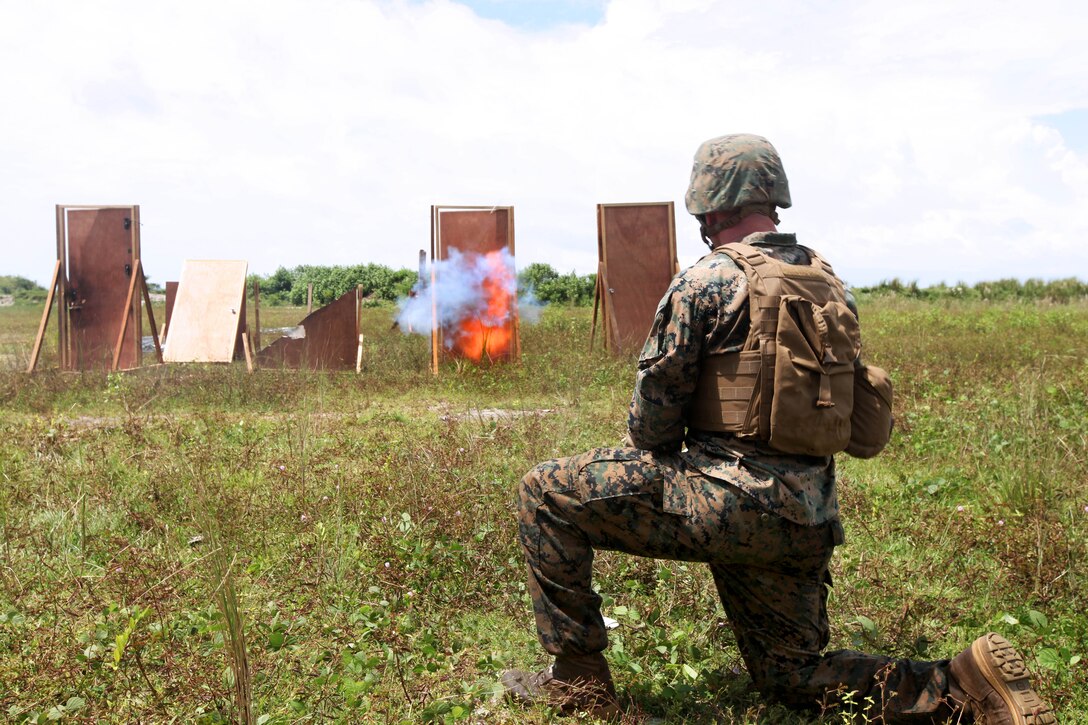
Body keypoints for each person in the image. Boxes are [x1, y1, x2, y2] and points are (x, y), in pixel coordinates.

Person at [502, 134, 1055, 723]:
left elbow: (652, 425)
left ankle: (577, 684)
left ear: (707, 205)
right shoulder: (829, 281)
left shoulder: (705, 279)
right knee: (792, 675)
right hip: (809, 514)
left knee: (546, 491)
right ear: (773, 198)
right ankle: (962, 686)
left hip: (726, 501)